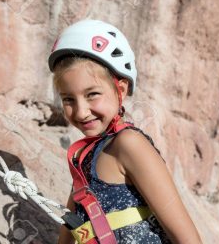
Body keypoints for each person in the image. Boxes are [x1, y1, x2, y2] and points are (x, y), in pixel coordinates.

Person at [48, 20, 202, 244]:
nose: (81, 112)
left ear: (120, 89)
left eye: (92, 94)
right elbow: (68, 237)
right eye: (68, 99)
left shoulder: (130, 144)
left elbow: (188, 239)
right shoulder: (83, 159)